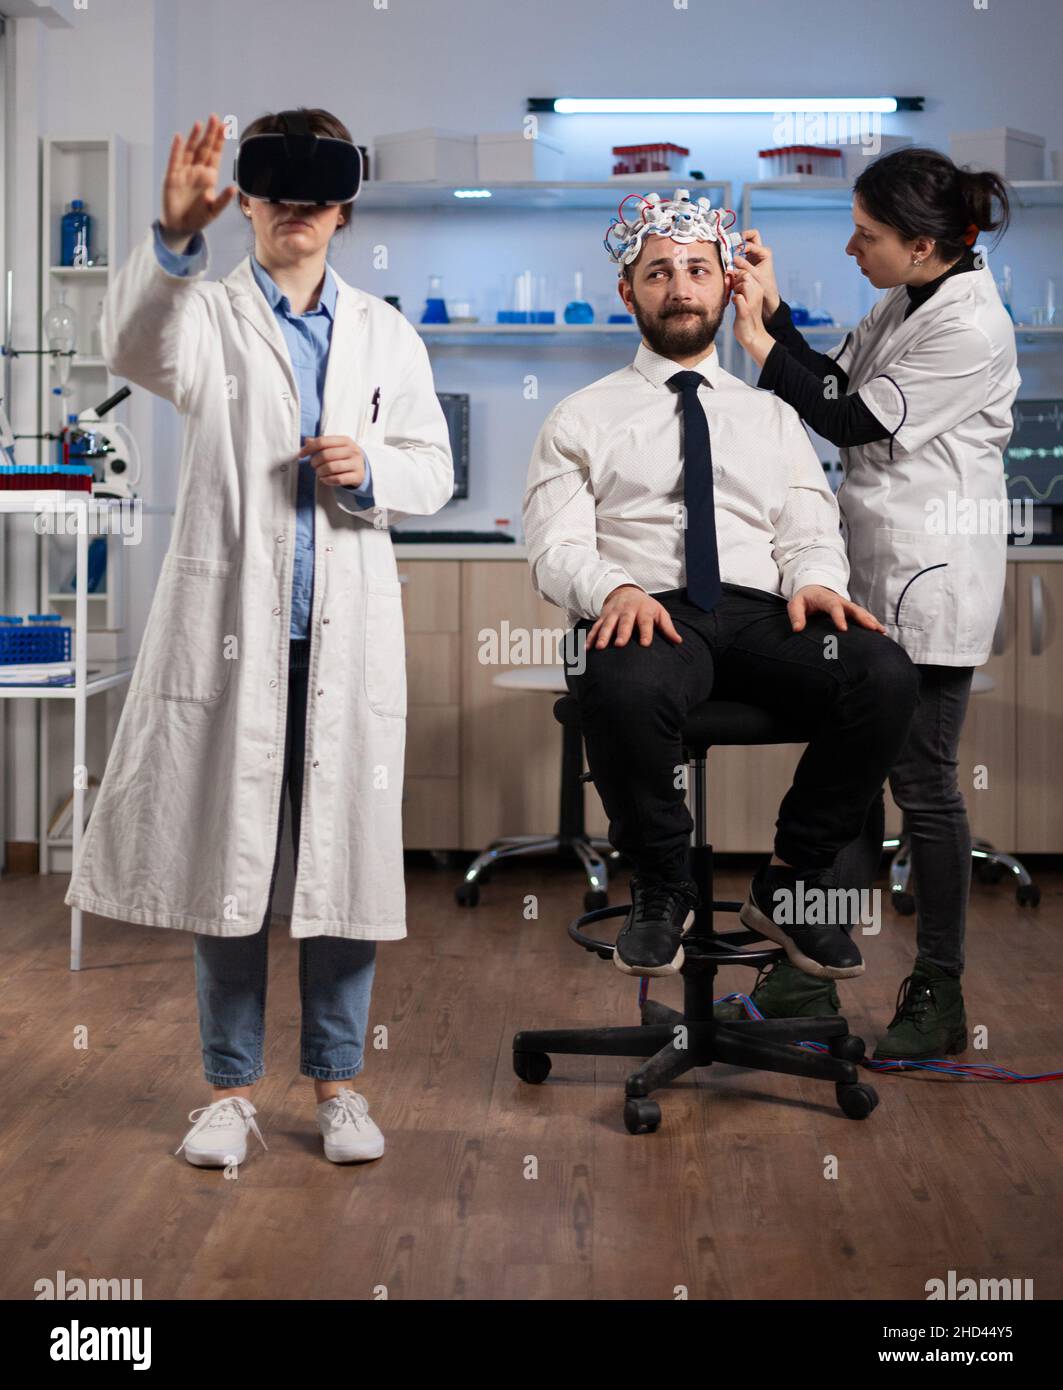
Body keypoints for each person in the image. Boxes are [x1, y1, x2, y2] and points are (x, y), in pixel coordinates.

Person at [64, 110, 453, 1165]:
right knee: (229, 865)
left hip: (342, 647)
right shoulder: (206, 316)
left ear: (343, 209)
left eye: (316, 199)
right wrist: (172, 243)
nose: (296, 214)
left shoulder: (382, 332)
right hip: (230, 644)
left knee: (341, 871)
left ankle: (338, 1085)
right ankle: (230, 1093)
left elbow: (433, 464)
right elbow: (134, 347)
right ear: (247, 202)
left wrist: (370, 470)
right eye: (275, 196)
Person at [522, 189, 919, 983]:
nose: (680, 287)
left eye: (697, 270)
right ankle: (663, 888)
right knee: (622, 681)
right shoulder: (578, 417)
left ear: (724, 287)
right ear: (626, 292)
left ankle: (790, 878)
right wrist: (613, 591)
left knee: (880, 672)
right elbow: (553, 546)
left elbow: (807, 526)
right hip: (649, 610)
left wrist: (814, 582)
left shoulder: (772, 416)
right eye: (658, 272)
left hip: (760, 614)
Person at [727, 147, 1020, 1059]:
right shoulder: (909, 298)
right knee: (850, 777)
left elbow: (848, 419)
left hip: (928, 583)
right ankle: (813, 975)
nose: (852, 248)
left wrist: (760, 346)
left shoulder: (968, 327)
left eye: (866, 235)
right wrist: (769, 309)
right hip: (869, 576)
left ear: (924, 244)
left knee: (921, 788)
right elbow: (829, 378)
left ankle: (936, 989)